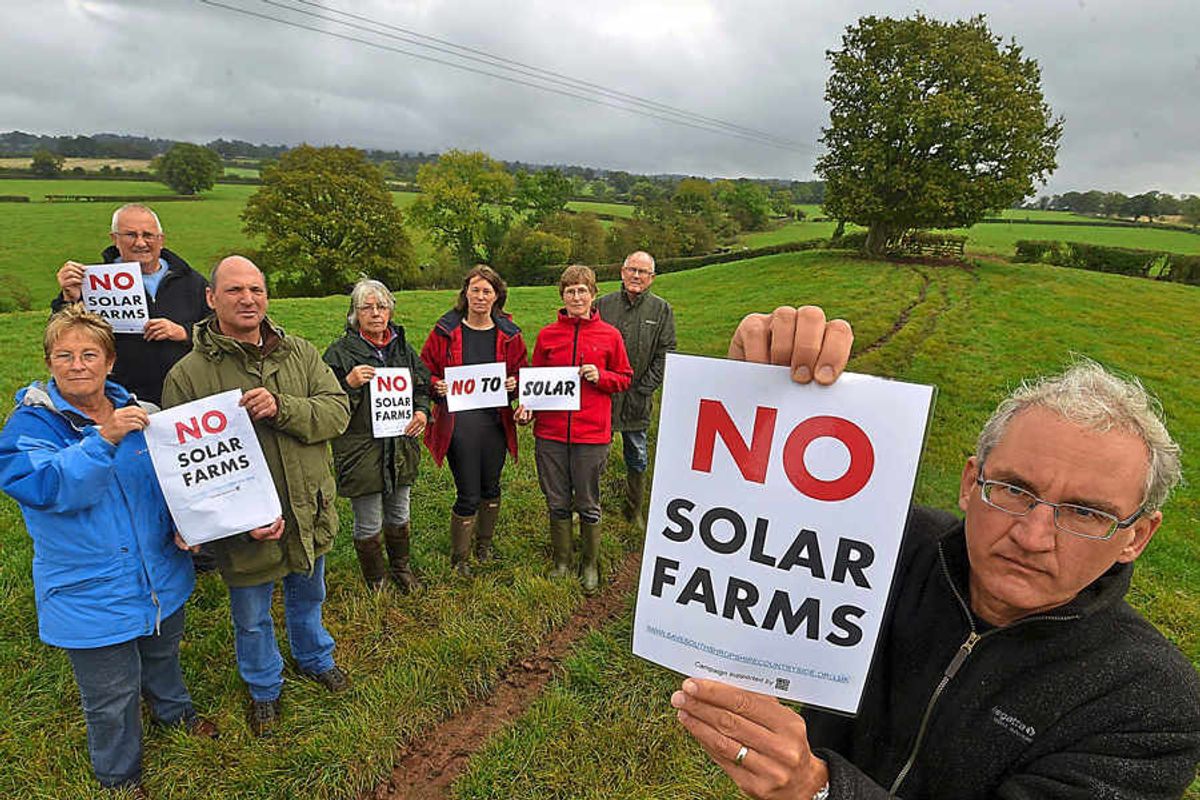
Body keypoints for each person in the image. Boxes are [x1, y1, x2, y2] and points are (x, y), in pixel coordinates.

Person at [671, 308, 1200, 800]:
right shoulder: (888, 547)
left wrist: (820, 789)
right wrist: (759, 395)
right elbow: (747, 528)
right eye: (1014, 489)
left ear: (1137, 537)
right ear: (970, 483)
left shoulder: (1152, 703)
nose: (1033, 536)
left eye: (1085, 513)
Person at [0, 306, 216, 793]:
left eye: (89, 354)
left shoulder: (146, 415)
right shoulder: (29, 429)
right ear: (49, 363)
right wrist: (104, 440)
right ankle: (119, 776)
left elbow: (172, 483)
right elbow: (49, 489)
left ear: (110, 362)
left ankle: (174, 715)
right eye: (64, 355)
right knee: (111, 694)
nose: (77, 365)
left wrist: (187, 524)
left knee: (164, 656)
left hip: (159, 574)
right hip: (90, 591)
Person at [161, 256, 351, 738]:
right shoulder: (188, 375)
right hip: (245, 528)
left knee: (310, 595)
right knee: (251, 617)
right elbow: (185, 469)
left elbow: (336, 412)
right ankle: (264, 686)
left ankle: (314, 656)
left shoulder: (300, 352)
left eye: (256, 290)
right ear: (211, 298)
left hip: (307, 509)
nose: (247, 299)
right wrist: (235, 522)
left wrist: (282, 407)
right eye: (234, 290)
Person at [515, 265, 633, 593]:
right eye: (570, 291)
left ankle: (590, 563)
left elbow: (625, 377)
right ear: (562, 296)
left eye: (582, 290)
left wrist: (602, 377)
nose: (576, 297)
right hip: (550, 434)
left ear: (593, 295)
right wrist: (527, 407)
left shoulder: (610, 335)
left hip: (591, 434)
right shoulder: (547, 336)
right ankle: (562, 560)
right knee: (556, 499)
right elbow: (536, 383)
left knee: (588, 500)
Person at [322, 278, 431, 591]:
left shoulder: (402, 348)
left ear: (390, 311)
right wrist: (348, 384)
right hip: (360, 450)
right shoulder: (339, 354)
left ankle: (401, 568)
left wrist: (422, 412)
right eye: (367, 307)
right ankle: (376, 580)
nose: (375, 313)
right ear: (354, 314)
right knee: (368, 519)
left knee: (399, 511)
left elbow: (422, 387)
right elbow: (325, 405)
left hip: (400, 446)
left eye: (382, 306)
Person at [420, 266, 527, 576]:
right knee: (468, 491)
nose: (480, 296)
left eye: (487, 291)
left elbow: (522, 371)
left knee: (491, 486)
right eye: (475, 290)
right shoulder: (444, 330)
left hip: (495, 421)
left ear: (497, 296)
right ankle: (460, 557)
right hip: (459, 424)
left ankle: (485, 544)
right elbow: (424, 369)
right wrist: (436, 384)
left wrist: (515, 383)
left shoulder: (510, 333)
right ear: (465, 293)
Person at [52, 203, 209, 406]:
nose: (140, 243)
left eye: (148, 235)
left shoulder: (192, 282)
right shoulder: (93, 283)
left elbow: (219, 330)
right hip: (118, 399)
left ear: (161, 240)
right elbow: (59, 339)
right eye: (130, 235)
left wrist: (183, 332)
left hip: (184, 397)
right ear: (115, 239)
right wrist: (70, 299)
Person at [595, 251, 675, 531]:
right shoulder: (602, 305)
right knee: (594, 456)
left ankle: (634, 509)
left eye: (643, 272)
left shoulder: (661, 310)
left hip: (637, 399)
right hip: (603, 397)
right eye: (632, 270)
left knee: (637, 455)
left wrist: (645, 388)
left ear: (652, 278)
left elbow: (666, 352)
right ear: (622, 272)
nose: (636, 276)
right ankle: (589, 507)